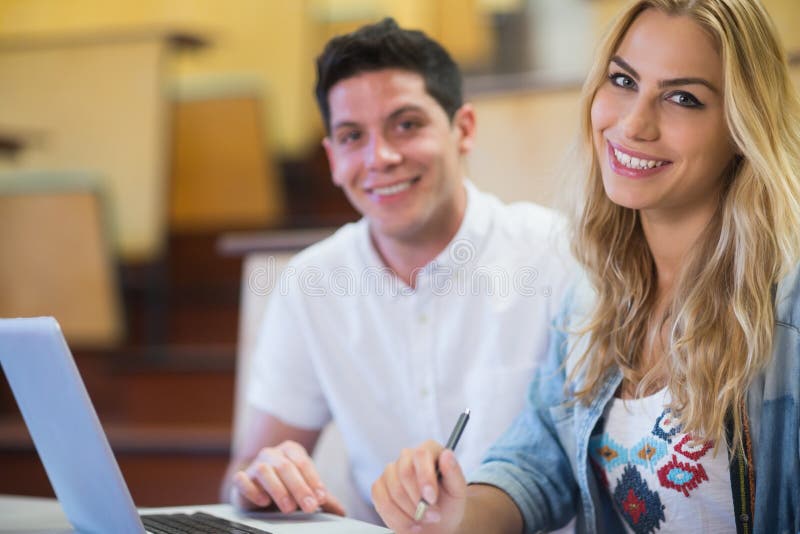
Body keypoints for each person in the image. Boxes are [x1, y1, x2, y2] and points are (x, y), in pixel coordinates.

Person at [371, 0, 800, 532]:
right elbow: (538, 463)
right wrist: (452, 512)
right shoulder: (594, 293)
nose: (633, 123)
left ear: (742, 126)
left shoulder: (788, 310)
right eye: (623, 81)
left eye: (683, 98)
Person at [222, 18, 574, 523]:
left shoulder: (556, 255)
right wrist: (262, 480)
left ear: (464, 129)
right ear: (331, 157)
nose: (380, 157)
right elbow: (246, 469)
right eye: (351, 136)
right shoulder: (309, 285)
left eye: (406, 125)